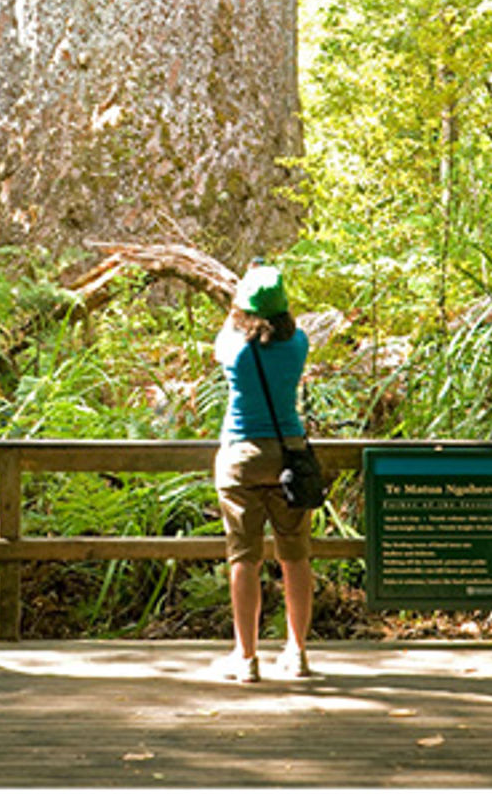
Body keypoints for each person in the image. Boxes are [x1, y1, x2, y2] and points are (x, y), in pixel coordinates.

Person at [212, 260, 314, 683]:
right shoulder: (300, 344)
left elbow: (226, 331)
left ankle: (247, 657)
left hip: (241, 456)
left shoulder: (233, 346)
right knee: (295, 555)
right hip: (290, 455)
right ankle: (298, 652)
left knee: (244, 558)